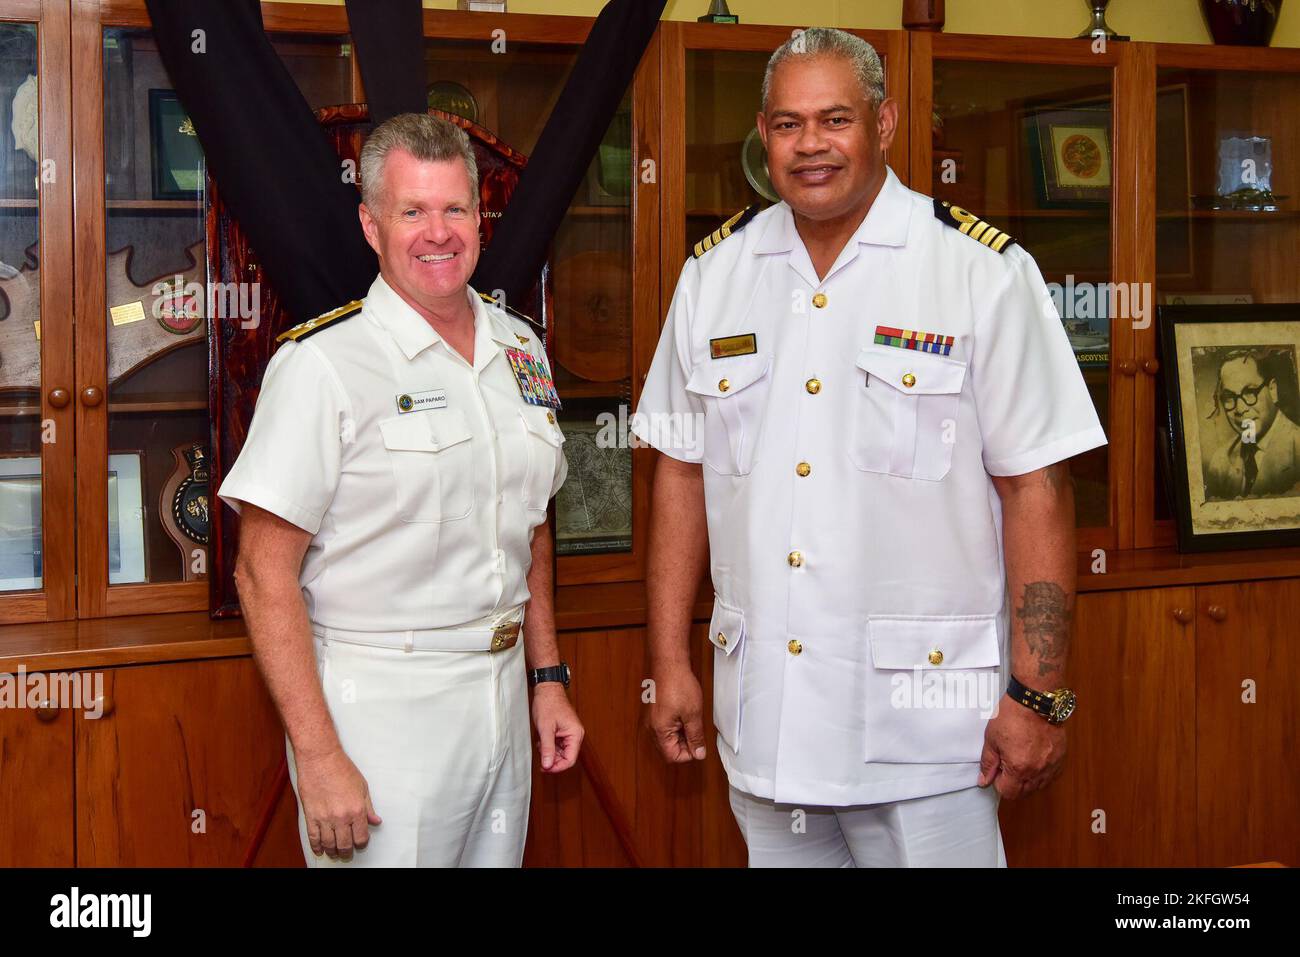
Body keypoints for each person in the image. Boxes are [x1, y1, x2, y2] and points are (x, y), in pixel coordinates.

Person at [635, 28, 1106, 867]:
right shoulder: (715, 274)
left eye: (835, 119)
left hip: (930, 729)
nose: (810, 145)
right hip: (769, 719)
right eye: (787, 124)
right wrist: (669, 660)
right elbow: (679, 467)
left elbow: (1038, 485)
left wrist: (1040, 693)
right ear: (762, 134)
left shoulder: (978, 271)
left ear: (883, 124)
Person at [218, 112, 583, 867]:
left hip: (503, 699)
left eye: (455, 208)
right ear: (370, 224)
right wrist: (317, 754)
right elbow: (261, 571)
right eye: (411, 211)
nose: (437, 232)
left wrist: (546, 677)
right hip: (381, 710)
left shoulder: (522, 348)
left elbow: (531, 521)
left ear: (480, 219)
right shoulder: (324, 365)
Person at [1204, 352, 1300, 499]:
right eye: (1230, 398)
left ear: (1273, 390)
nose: (1241, 409)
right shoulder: (1220, 462)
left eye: (1250, 392)